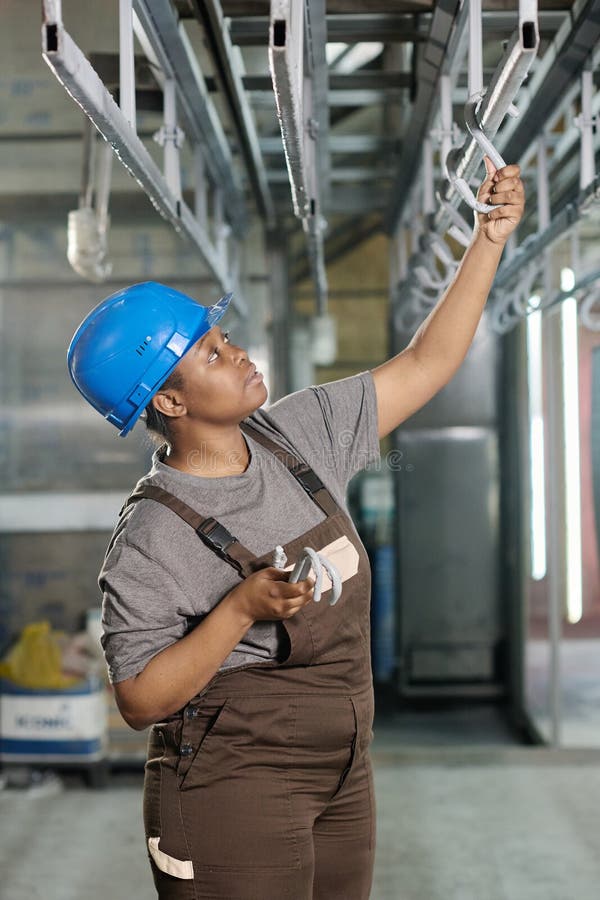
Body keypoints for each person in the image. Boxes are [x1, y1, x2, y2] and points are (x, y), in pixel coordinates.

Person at [67, 157, 524, 899]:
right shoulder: (152, 534)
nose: (236, 351)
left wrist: (489, 240)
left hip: (343, 768)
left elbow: (430, 361)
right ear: (171, 404)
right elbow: (141, 701)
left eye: (223, 337)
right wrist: (239, 609)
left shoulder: (298, 432)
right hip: (230, 783)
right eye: (210, 354)